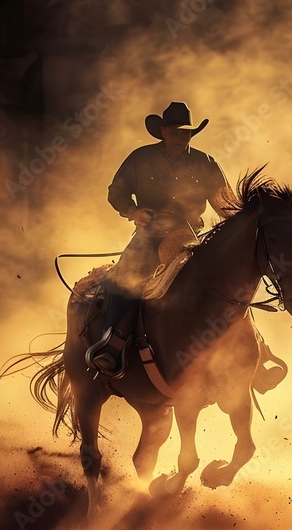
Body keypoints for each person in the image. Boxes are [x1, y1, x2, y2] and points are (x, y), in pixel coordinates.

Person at [86, 101, 233, 378]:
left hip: (190, 237)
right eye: (175, 131)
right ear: (163, 131)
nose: (180, 136)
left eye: (185, 132)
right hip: (149, 233)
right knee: (124, 278)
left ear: (191, 134)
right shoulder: (140, 159)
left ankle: (247, 353)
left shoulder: (206, 162)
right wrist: (133, 211)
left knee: (228, 280)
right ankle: (112, 344)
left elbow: (225, 204)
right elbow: (115, 192)